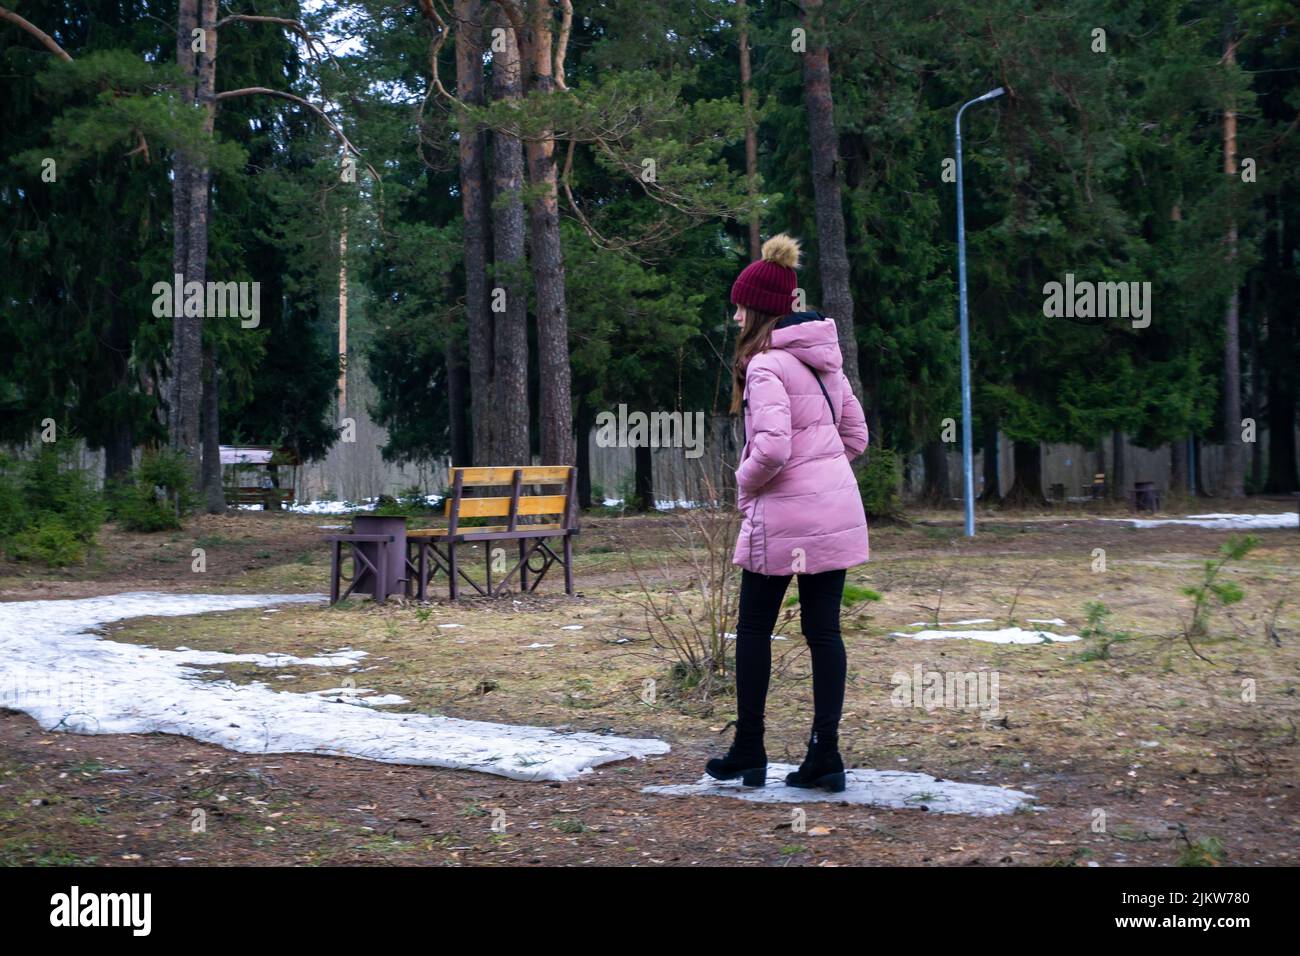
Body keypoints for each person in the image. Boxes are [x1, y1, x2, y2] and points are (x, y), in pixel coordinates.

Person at [706, 233, 870, 793]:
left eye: (739, 305)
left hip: (783, 516)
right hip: (835, 510)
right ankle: (826, 757)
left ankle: (748, 749)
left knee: (753, 627)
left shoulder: (765, 366)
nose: (734, 315)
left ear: (757, 310)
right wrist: (822, 472)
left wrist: (743, 483)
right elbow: (856, 436)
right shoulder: (827, 363)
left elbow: (772, 449)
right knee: (824, 631)